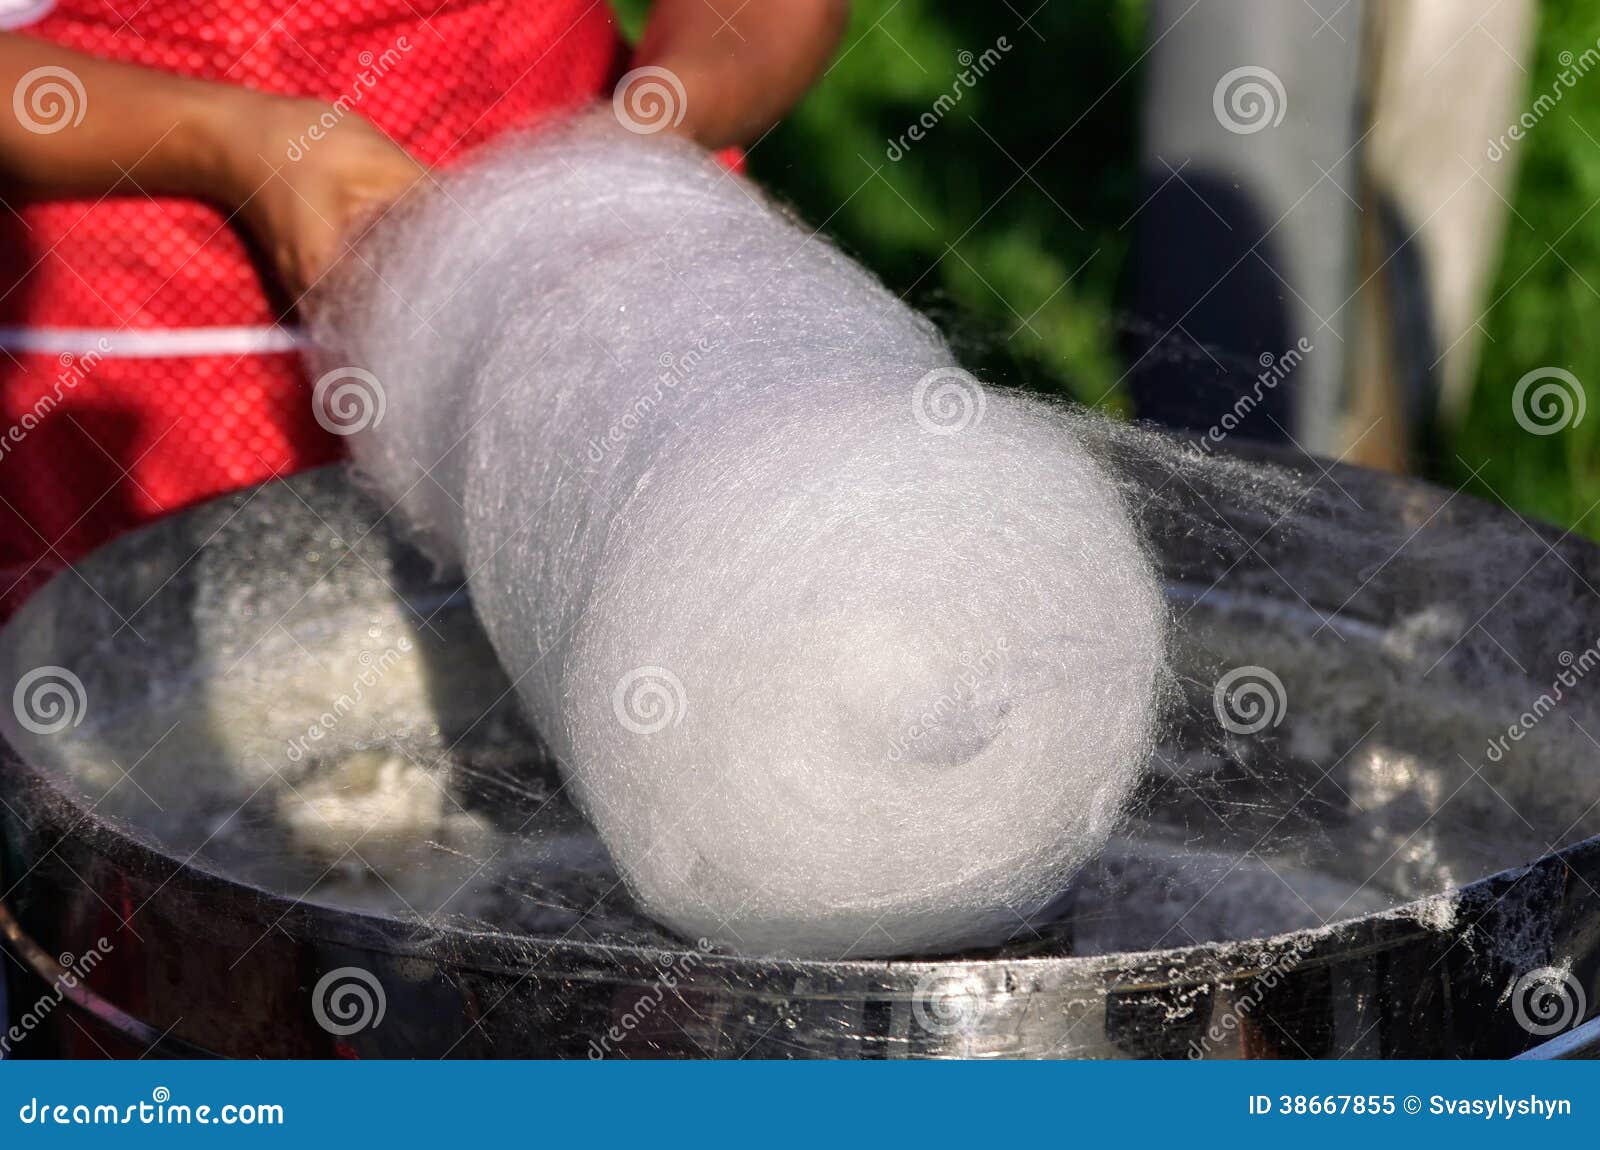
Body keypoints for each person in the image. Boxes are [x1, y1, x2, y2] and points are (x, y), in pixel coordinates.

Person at [0, 0, 848, 612]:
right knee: (183, 763)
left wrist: (651, 127)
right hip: (154, 322)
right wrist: (233, 142)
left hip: (578, 283)